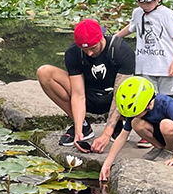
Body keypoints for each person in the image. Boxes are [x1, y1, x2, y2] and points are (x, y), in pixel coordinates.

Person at [36, 18, 135, 151]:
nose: (89, 53)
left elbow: (121, 95)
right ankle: (84, 127)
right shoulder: (73, 52)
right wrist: (78, 132)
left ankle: (117, 124)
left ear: (101, 38)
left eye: (93, 48)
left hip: (116, 98)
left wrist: (106, 134)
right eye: (85, 49)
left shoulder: (121, 50)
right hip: (90, 95)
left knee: (139, 92)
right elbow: (78, 95)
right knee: (44, 72)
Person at [115, 0, 173, 128]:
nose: (144, 5)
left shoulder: (168, 15)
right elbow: (132, 27)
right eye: (140, 1)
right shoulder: (137, 12)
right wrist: (114, 38)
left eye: (148, 2)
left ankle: (166, 130)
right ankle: (149, 130)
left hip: (166, 67)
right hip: (145, 66)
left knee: (164, 101)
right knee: (146, 101)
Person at [96, 76, 173, 181]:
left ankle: (169, 150)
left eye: (138, 113)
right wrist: (107, 164)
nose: (134, 115)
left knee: (166, 124)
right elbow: (122, 137)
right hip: (158, 130)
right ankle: (158, 147)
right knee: (136, 122)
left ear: (149, 104)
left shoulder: (165, 102)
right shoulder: (136, 111)